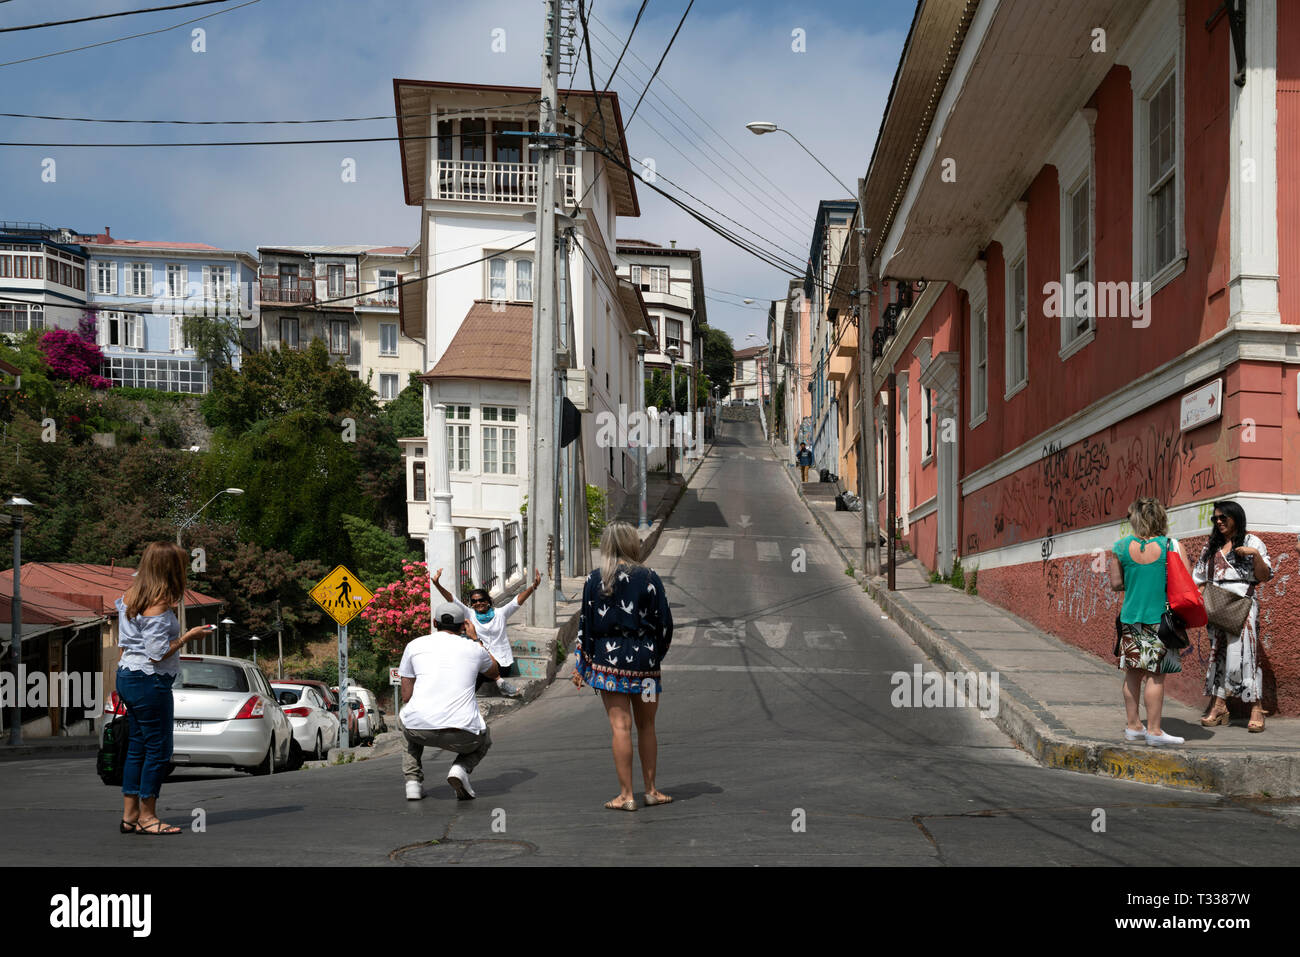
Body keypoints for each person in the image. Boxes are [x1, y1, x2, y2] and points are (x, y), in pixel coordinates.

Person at [571, 522, 673, 811]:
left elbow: (585, 626)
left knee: (620, 727)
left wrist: (583, 665)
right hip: (647, 665)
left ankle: (626, 796)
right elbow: (665, 623)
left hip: (608, 662)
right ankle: (651, 790)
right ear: (632, 544)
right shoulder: (650, 577)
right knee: (648, 725)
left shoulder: (595, 580)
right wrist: (655, 656)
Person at [114, 542, 210, 835]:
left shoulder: (131, 595)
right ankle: (148, 817)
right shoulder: (158, 603)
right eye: (180, 565)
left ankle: (130, 816)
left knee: (138, 746)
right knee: (159, 749)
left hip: (129, 675)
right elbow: (157, 652)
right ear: (168, 569)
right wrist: (187, 637)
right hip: (149, 679)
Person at [1107, 497, 1191, 747]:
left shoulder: (1120, 547)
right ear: (1161, 518)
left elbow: (1115, 584)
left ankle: (1133, 726)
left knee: (1133, 674)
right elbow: (1185, 583)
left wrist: (1136, 581)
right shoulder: (1171, 546)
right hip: (1161, 621)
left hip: (1130, 618)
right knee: (1156, 675)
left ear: (1135, 519)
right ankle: (1154, 731)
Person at [397, 602, 499, 800]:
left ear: (434, 622)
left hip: (420, 730)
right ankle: (460, 769)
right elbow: (494, 671)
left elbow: (406, 696)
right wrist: (476, 639)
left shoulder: (414, 645)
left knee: (406, 715)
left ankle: (413, 783)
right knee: (485, 738)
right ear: (463, 626)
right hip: (463, 733)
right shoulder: (473, 648)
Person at [1194, 500, 1273, 732]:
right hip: (1215, 604)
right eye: (1215, 518)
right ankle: (1219, 706)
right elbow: (1198, 578)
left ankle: (1256, 707)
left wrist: (1255, 555)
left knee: (1246, 655)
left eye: (1223, 517)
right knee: (1217, 654)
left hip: (1242, 605)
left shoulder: (1252, 542)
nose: (1218, 522)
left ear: (1236, 518)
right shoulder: (1211, 545)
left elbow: (1265, 576)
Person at [430, 566, 542, 698]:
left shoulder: (500, 614)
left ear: (488, 601)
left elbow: (517, 601)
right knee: (468, 666)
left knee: (477, 669)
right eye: (475, 601)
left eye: (482, 600)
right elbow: (452, 600)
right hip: (480, 659)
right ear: (472, 604)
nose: (479, 603)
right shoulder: (470, 614)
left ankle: (462, 698)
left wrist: (533, 587)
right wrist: (437, 585)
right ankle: (498, 685)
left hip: (502, 663)